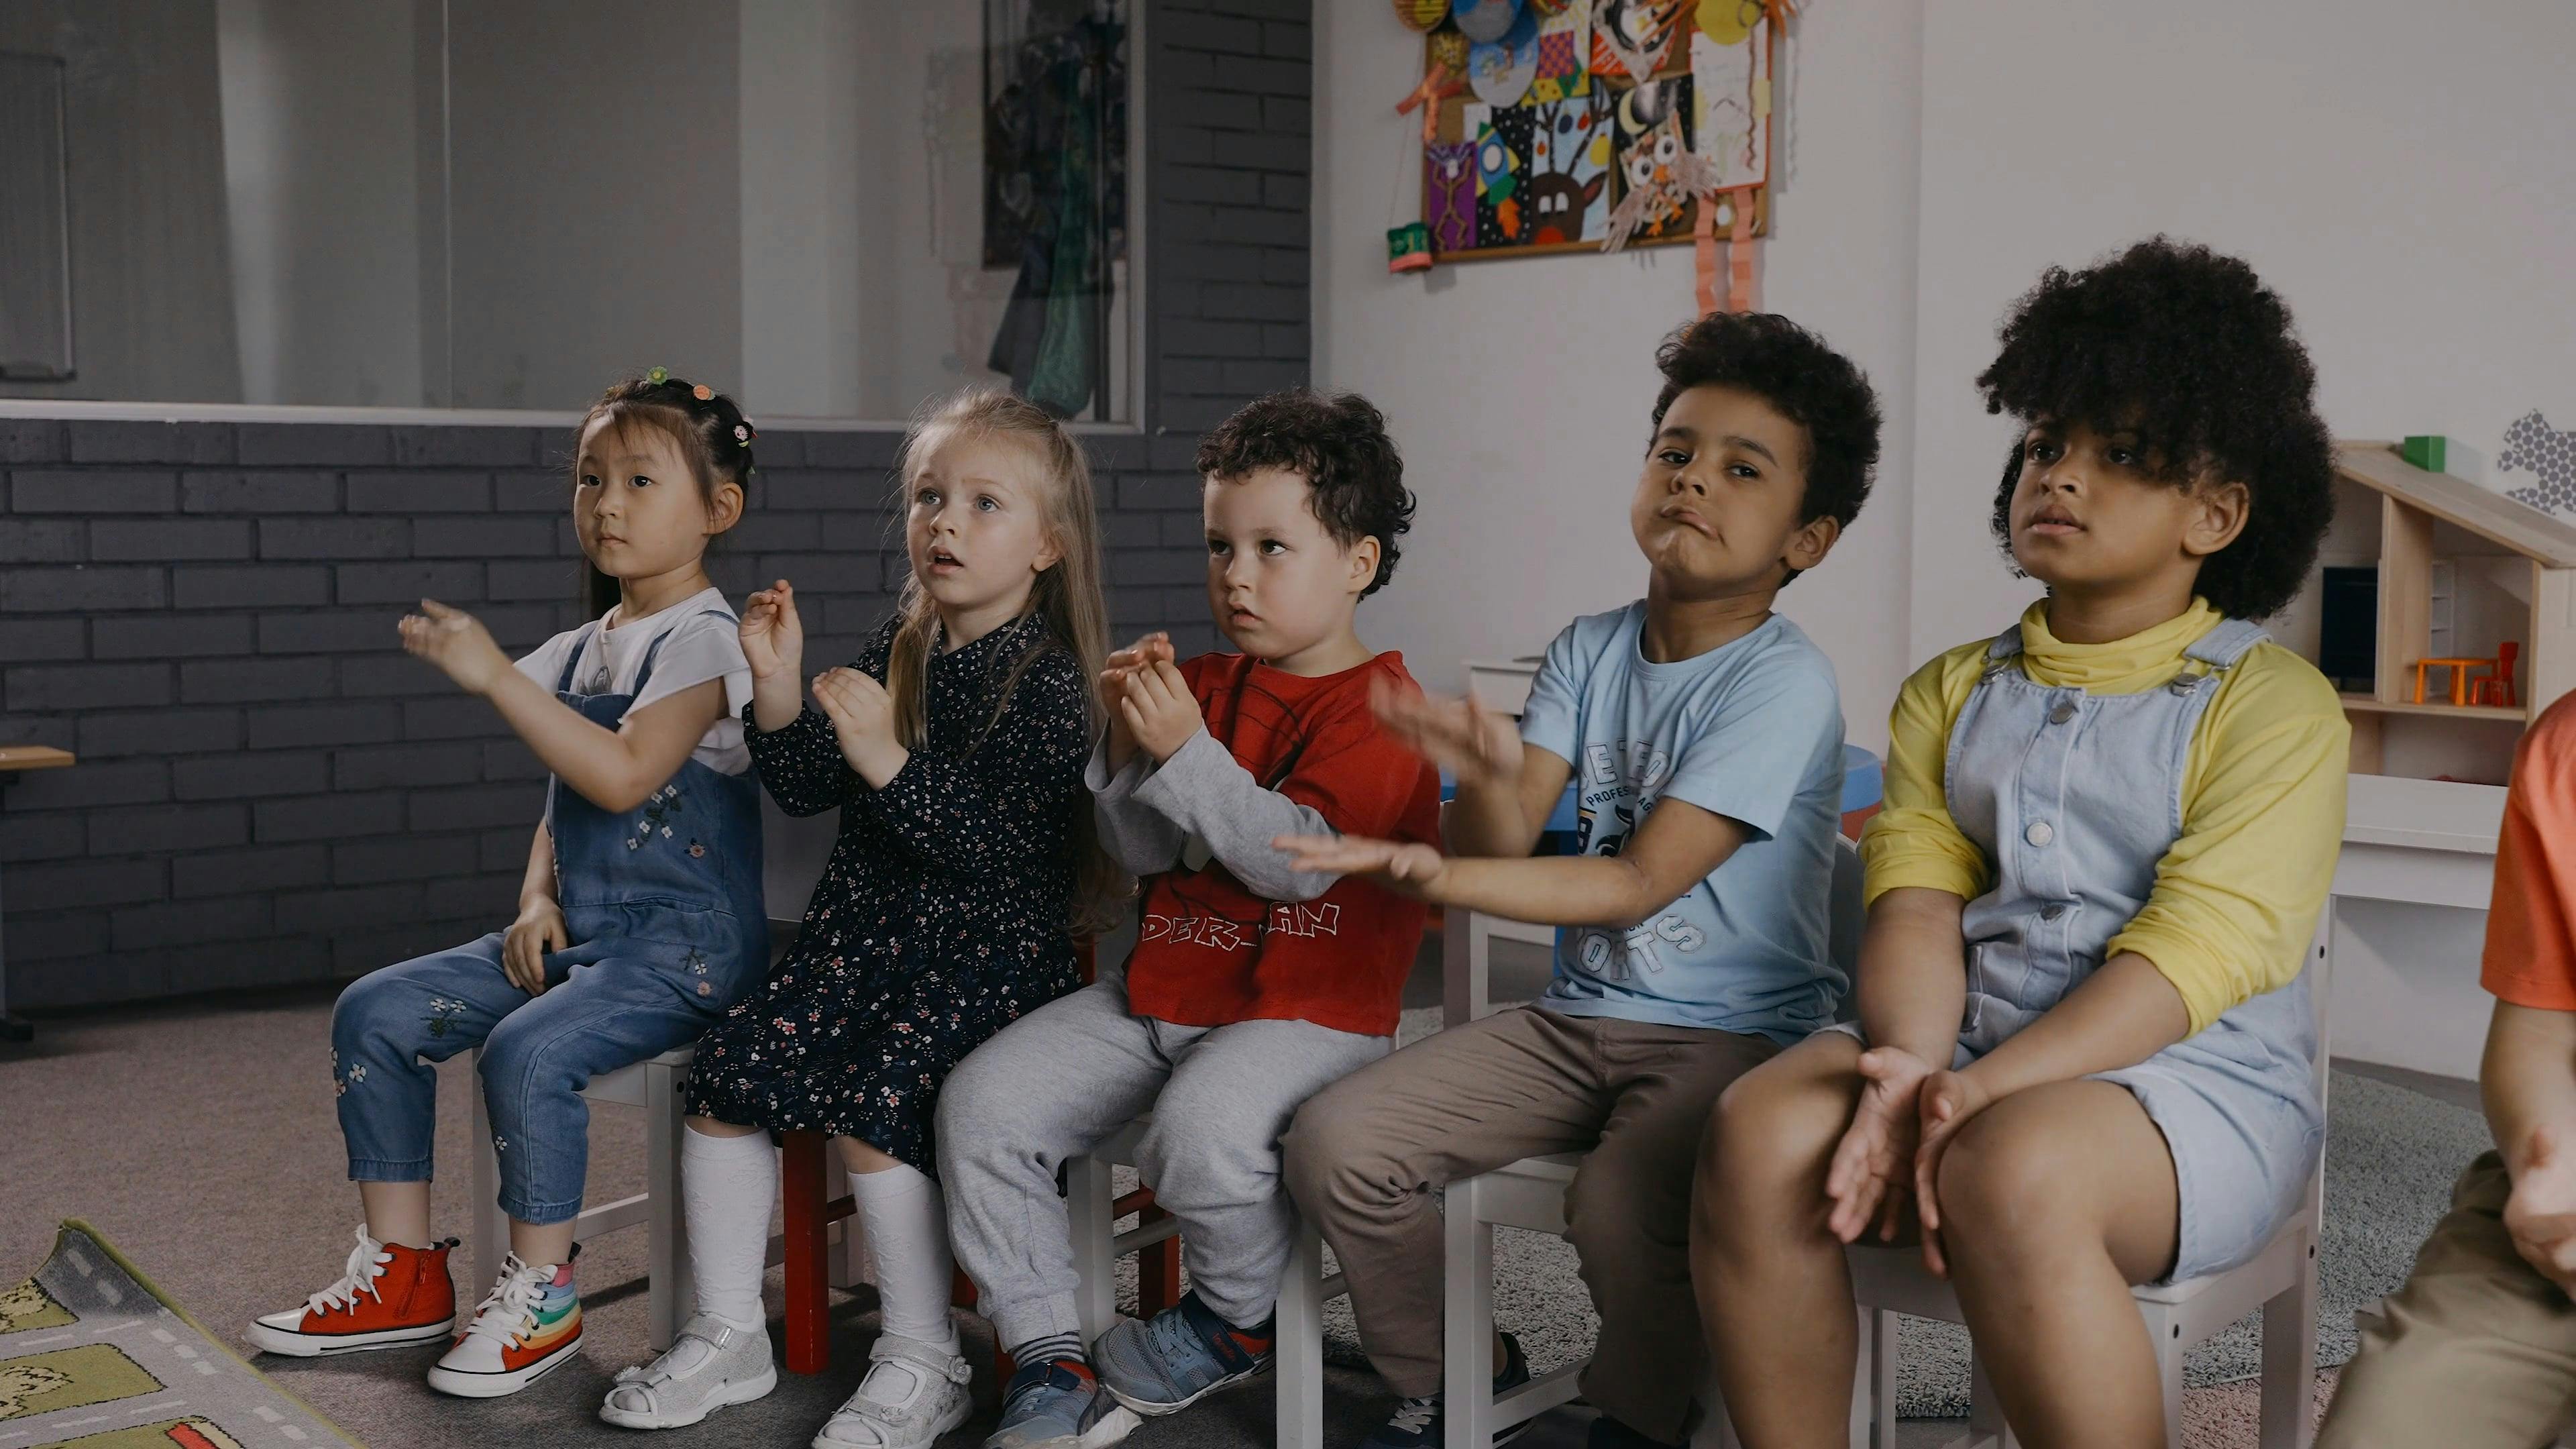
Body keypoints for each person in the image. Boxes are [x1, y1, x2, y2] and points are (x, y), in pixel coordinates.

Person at [1695, 238, 2347, 1449]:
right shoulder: (1950, 690)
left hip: (2191, 1091)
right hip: (1963, 1044)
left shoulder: (2274, 707)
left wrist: (1976, 1096)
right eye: (2048, 445)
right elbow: (1915, 907)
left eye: (2123, 458)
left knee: (2010, 1165)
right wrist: (1906, 1067)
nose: (2062, 476)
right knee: (1759, 1127)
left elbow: (2190, 957)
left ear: (2218, 513)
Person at [1275, 311, 1882, 1449]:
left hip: (1735, 1039)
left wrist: (1431, 872)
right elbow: (1511, 848)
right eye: (1677, 452)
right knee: (1337, 1143)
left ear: (1809, 539)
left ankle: (1644, 1415)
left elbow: (1638, 884)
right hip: (1574, 1022)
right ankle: (1456, 1374)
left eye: (1742, 469)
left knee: (1617, 1207)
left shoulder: (1783, 683)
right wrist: (1491, 775)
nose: (1695, 480)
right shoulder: (1589, 647)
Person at [598, 390, 1117, 1449]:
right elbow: (801, 787)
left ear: (1049, 546)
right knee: (729, 1073)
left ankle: (925, 1355)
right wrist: (779, 690)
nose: (945, 523)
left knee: (880, 1100)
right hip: (863, 947)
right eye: (931, 498)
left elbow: (995, 849)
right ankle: (732, 1328)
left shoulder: (1052, 685)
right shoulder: (903, 643)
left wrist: (886, 756)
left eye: (983, 504)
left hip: (991, 965)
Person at [250, 372, 767, 1400]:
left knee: (527, 1051)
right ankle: (402, 1271)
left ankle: (545, 1291)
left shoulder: (707, 641)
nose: (606, 504)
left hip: (681, 950)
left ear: (718, 509)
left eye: (638, 480)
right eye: (589, 480)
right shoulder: (585, 647)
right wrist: (537, 900)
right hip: (578, 934)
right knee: (377, 1011)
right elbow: (565, 798)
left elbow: (620, 772)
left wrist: (495, 677)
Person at [937, 390, 1440, 1449]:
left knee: (1201, 1130)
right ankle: (1044, 1351)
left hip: (1314, 1015)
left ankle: (1229, 1320)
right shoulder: (1203, 684)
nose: (1236, 575)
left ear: (1357, 562)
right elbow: (1142, 856)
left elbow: (1295, 865)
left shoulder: (1390, 713)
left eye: (1271, 547)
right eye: (1220, 545)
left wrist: (1185, 756)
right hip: (1166, 991)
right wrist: (1127, 750)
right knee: (982, 1105)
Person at [2314, 690, 2576, 1448]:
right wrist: (2547, 1163)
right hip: (2558, 1218)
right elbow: (2537, 1029)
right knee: (2396, 1414)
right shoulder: (2564, 743)